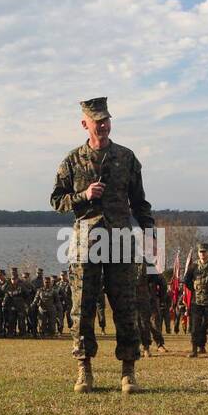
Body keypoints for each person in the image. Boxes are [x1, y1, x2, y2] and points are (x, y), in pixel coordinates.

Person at [50, 96, 155, 394]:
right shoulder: (72, 161)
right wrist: (83, 195)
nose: (104, 125)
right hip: (87, 243)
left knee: (125, 305)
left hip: (120, 241)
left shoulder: (127, 157)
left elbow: (140, 203)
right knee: (82, 307)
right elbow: (57, 201)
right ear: (85, 124)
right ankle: (84, 370)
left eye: (107, 120)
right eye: (98, 122)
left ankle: (128, 371)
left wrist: (150, 235)